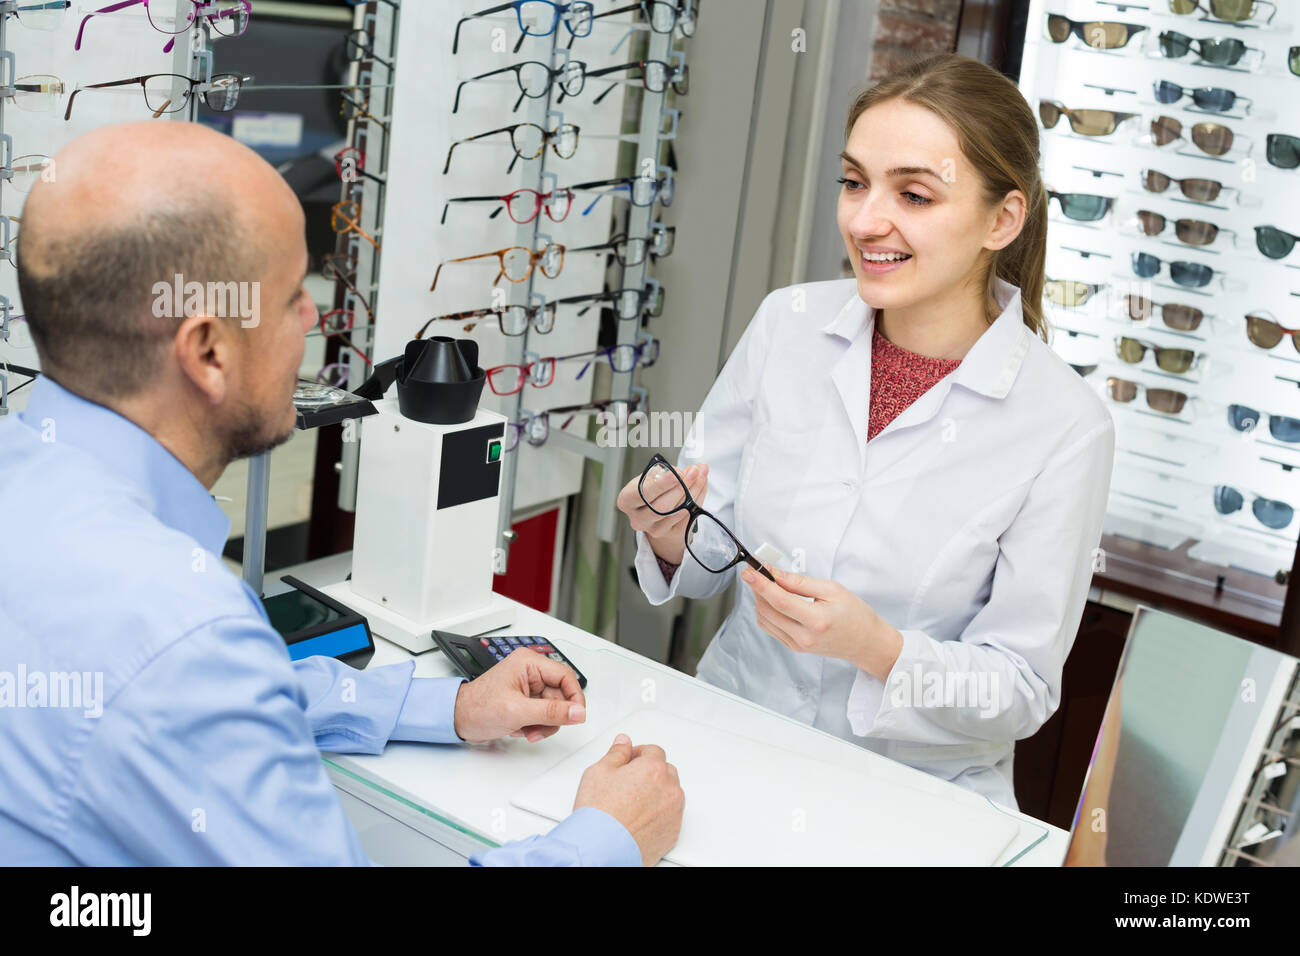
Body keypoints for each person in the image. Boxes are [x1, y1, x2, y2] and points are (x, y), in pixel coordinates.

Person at [0, 121, 683, 866]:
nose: (313, 319)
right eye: (293, 294)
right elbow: (191, 680)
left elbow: (200, 705)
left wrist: (447, 706)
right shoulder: (183, 632)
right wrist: (605, 841)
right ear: (207, 351)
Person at [618, 53, 1115, 810]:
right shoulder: (787, 324)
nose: (864, 220)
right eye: (854, 183)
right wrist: (665, 531)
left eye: (913, 194)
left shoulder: (1064, 425)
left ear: (1002, 219)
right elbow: (713, 547)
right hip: (730, 740)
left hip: (910, 800)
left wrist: (878, 651)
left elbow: (1020, 687)